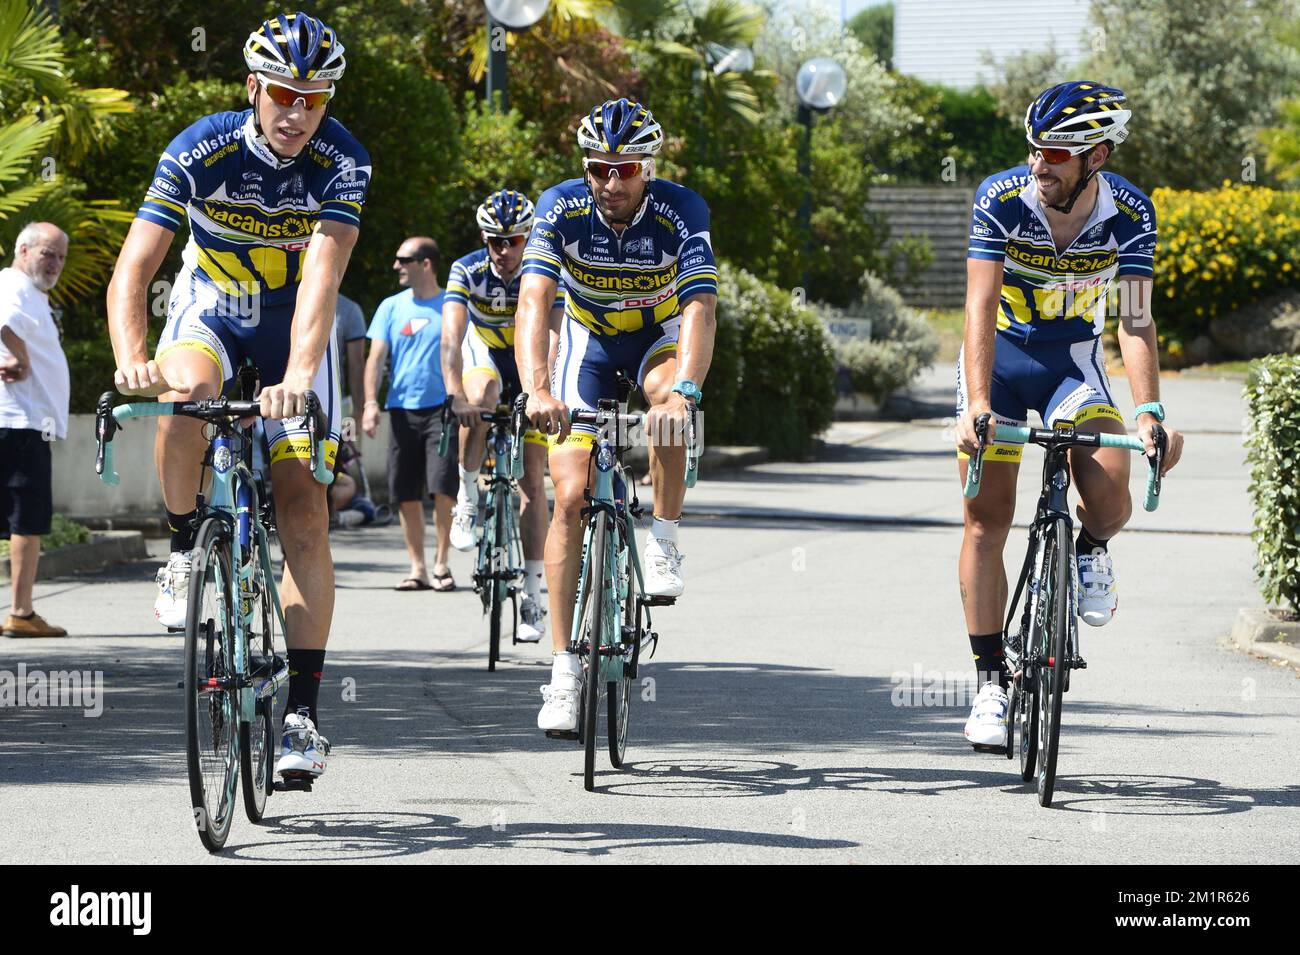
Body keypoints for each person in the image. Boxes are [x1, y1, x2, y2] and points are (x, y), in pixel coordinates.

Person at [106, 12, 369, 783]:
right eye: (284, 94)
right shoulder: (200, 147)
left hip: (292, 324)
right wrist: (130, 358)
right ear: (253, 88)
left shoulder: (342, 160)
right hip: (213, 303)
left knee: (304, 512)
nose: (297, 113)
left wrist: (297, 376)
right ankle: (186, 545)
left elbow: (322, 283)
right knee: (188, 391)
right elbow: (136, 265)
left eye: (314, 99)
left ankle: (303, 717)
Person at [955, 82, 1185, 750]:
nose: (1038, 165)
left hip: (1072, 368)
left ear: (1096, 156)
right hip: (996, 364)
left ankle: (1090, 549)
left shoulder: (1131, 211)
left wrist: (1148, 412)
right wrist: (975, 405)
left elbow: (1135, 320)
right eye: (1033, 149)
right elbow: (978, 306)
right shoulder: (1001, 198)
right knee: (986, 519)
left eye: (1054, 153)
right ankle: (991, 683)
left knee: (1112, 490)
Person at [517, 98, 718, 733]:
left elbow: (700, 309)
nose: (610, 182)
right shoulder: (560, 206)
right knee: (569, 494)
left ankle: (663, 538)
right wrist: (536, 389)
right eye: (599, 168)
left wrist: (685, 388)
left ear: (647, 169)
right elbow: (534, 299)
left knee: (666, 408)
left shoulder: (681, 210)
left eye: (625, 169)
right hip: (589, 343)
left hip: (657, 336)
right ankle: (562, 671)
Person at [443, 190, 565, 642]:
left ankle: (533, 593)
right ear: (484, 239)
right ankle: (467, 497)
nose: (506, 251)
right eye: (496, 241)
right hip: (486, 356)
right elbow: (452, 338)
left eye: (515, 240)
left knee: (533, 482)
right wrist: (455, 394)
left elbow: (554, 337)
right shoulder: (468, 270)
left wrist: (542, 392)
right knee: (481, 394)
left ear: (528, 237)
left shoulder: (546, 268)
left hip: (530, 363)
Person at [361, 237, 460, 592]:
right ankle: (417, 567)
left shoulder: (452, 303)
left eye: (404, 260)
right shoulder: (391, 306)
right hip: (402, 408)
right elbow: (375, 359)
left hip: (442, 409)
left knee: (442, 487)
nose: (396, 266)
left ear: (426, 264)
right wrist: (371, 404)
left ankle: (442, 563)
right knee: (404, 491)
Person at [1, 223, 71, 639]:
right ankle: (21, 612)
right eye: (48, 253)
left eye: (61, 256)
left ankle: (20, 610)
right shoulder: (16, 286)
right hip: (22, 424)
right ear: (23, 249)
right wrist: (22, 360)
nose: (56, 263)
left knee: (18, 519)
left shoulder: (25, 290)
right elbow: (6, 323)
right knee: (26, 519)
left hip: (21, 422)